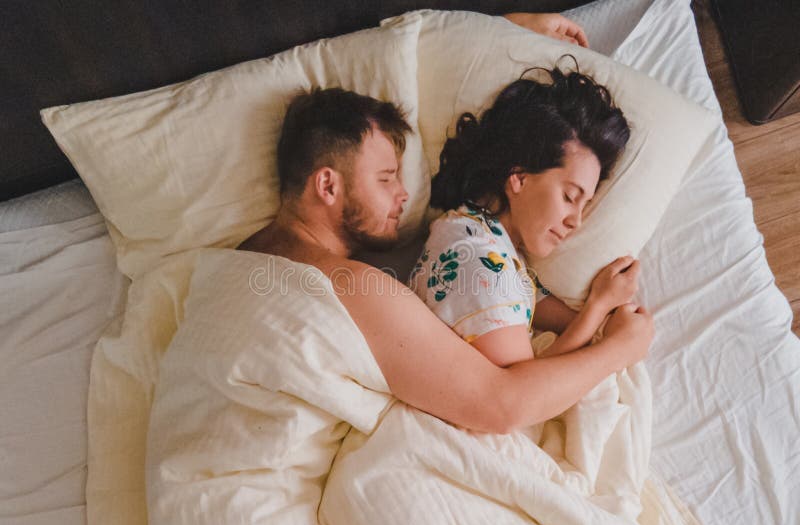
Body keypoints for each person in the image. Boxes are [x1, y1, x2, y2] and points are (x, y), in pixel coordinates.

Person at [238, 18, 653, 435]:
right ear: (328, 185)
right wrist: (619, 349)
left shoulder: (241, 258)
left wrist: (512, 28)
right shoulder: (360, 286)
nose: (404, 194)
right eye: (386, 177)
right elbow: (504, 404)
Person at [409, 65, 641, 368]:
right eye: (570, 197)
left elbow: (536, 303)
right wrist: (598, 309)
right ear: (519, 177)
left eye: (584, 205)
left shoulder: (483, 236)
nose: (576, 221)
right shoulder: (479, 261)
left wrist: (605, 316)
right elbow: (525, 387)